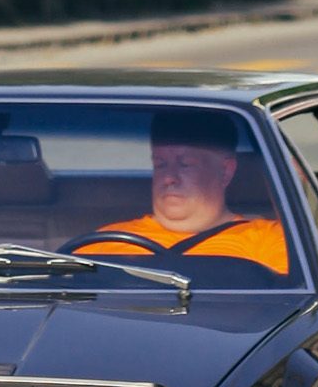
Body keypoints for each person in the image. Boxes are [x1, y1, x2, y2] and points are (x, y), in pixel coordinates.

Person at [79, 109, 289, 275]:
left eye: (185, 164)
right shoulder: (105, 241)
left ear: (225, 171)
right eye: (160, 164)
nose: (169, 178)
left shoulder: (268, 241)